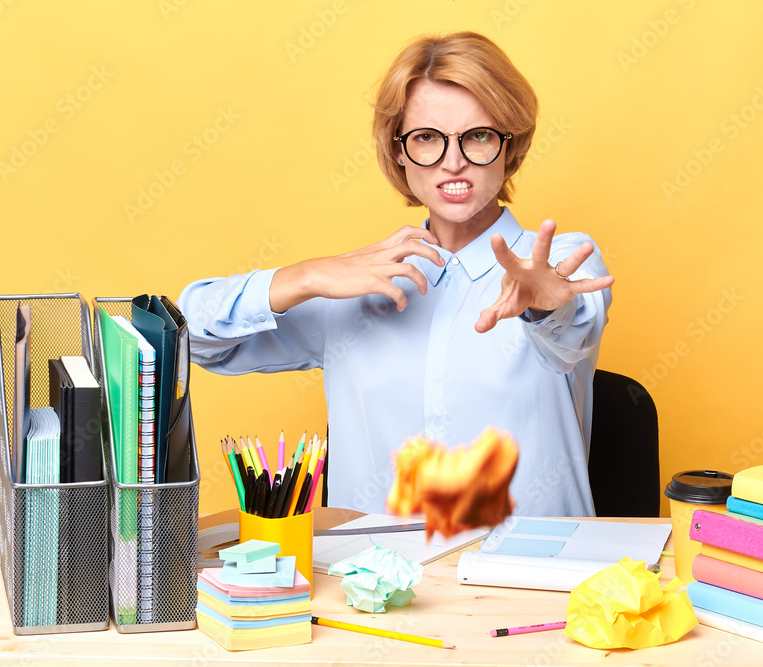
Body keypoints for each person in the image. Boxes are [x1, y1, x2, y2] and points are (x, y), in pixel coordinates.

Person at [178, 32, 613, 517]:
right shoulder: (357, 283)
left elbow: (571, 328)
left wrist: (544, 303)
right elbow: (188, 338)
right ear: (399, 150)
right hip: (378, 586)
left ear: (509, 145)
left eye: (478, 136)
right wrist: (303, 277)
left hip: (529, 581)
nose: (454, 162)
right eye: (427, 138)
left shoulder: (564, 259)